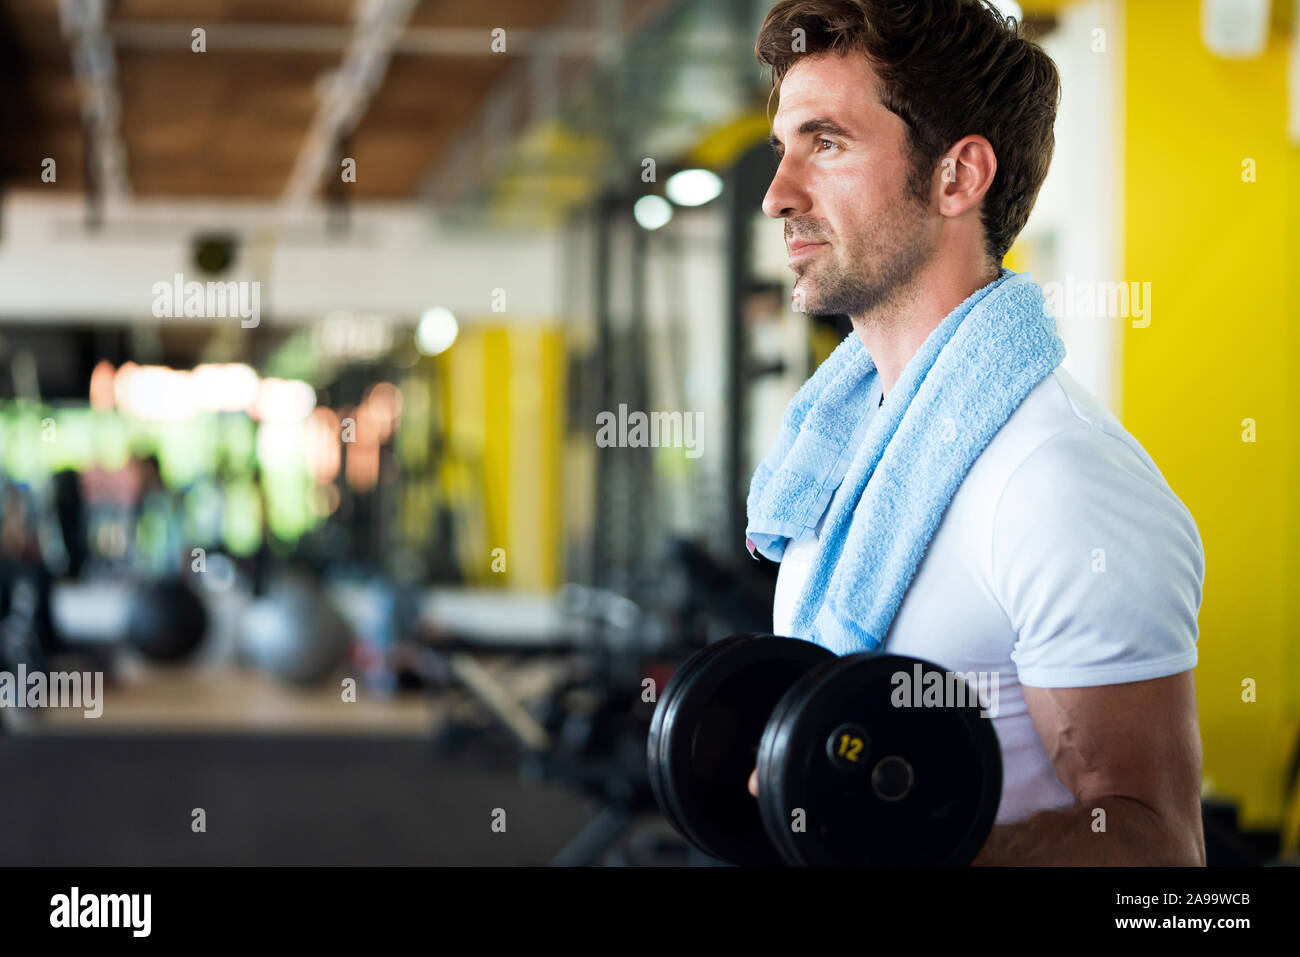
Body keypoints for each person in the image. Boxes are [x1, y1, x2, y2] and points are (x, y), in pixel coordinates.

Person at [744, 0, 1205, 865]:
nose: (778, 195)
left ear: (958, 176)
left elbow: (1160, 855)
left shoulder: (1061, 482)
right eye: (784, 148)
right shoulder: (846, 462)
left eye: (827, 143)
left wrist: (889, 843)